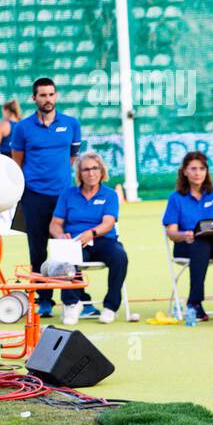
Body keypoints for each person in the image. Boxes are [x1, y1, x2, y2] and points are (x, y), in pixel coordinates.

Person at [10, 78, 83, 319]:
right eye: (42, 95)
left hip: (64, 196)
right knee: (38, 250)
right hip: (34, 197)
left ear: (56, 96)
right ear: (34, 98)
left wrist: (59, 181)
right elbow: (17, 163)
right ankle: (44, 300)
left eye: (51, 94)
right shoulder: (22, 128)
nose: (48, 99)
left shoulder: (72, 124)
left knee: (67, 247)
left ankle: (75, 299)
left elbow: (72, 158)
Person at [49, 151, 127, 325]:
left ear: (101, 171)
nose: (91, 173)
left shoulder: (110, 195)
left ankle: (110, 306)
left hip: (103, 240)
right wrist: (60, 235)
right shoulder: (68, 194)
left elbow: (108, 223)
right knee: (67, 258)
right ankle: (71, 304)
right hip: (76, 243)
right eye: (86, 170)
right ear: (79, 174)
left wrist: (91, 233)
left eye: (94, 168)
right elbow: (54, 224)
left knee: (120, 256)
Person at [162, 151, 213, 322]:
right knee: (201, 243)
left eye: (202, 168)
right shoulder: (176, 198)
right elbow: (171, 232)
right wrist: (184, 235)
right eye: (193, 169)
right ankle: (195, 302)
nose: (198, 173)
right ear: (184, 172)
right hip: (187, 244)